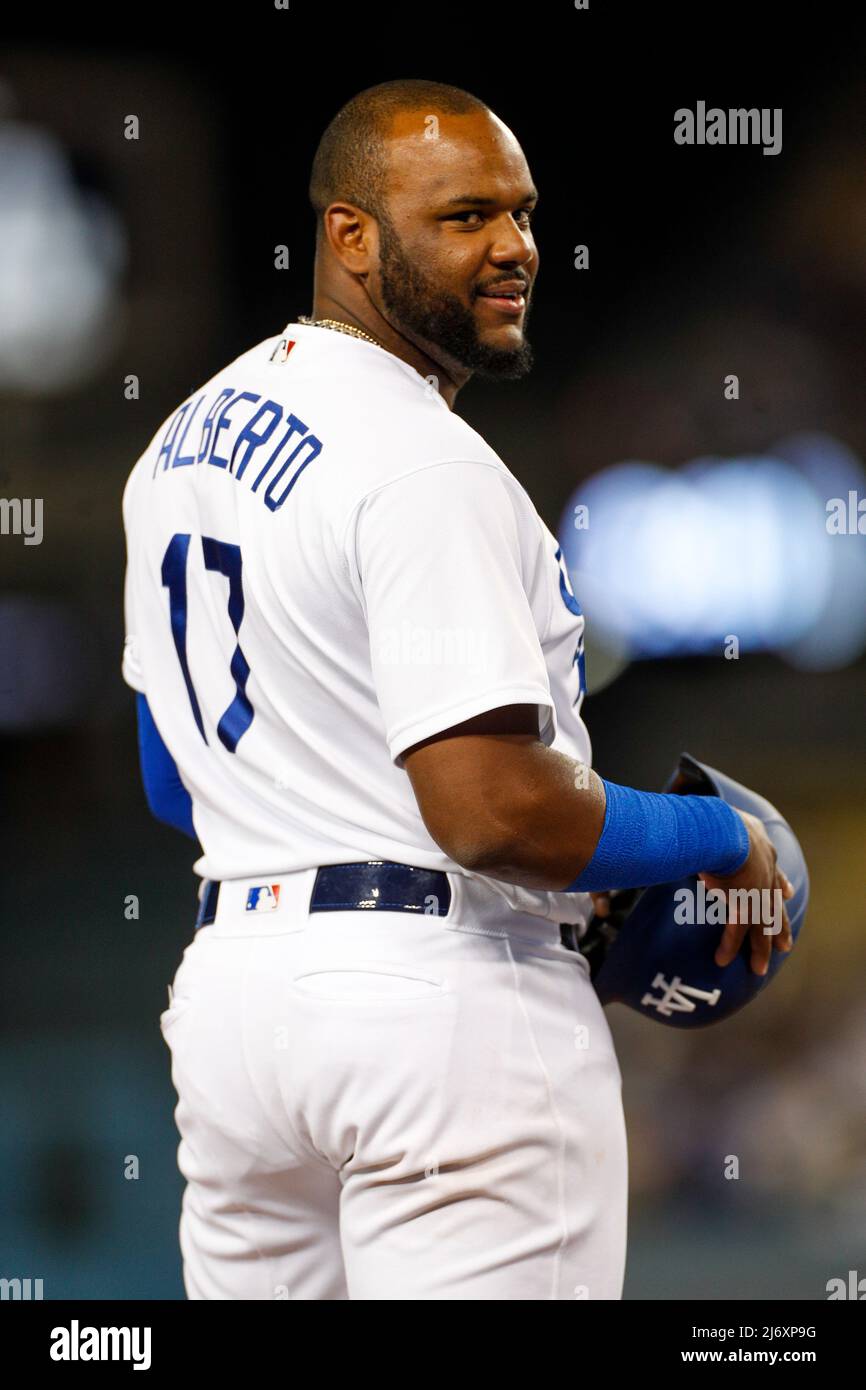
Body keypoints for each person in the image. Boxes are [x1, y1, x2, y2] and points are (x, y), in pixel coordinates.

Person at [121, 78, 792, 1301]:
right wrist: (715, 832)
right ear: (350, 237)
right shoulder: (424, 459)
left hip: (236, 1013)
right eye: (464, 216)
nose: (513, 249)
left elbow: (179, 782)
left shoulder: (173, 446)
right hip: (439, 1007)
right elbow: (492, 816)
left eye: (524, 215)